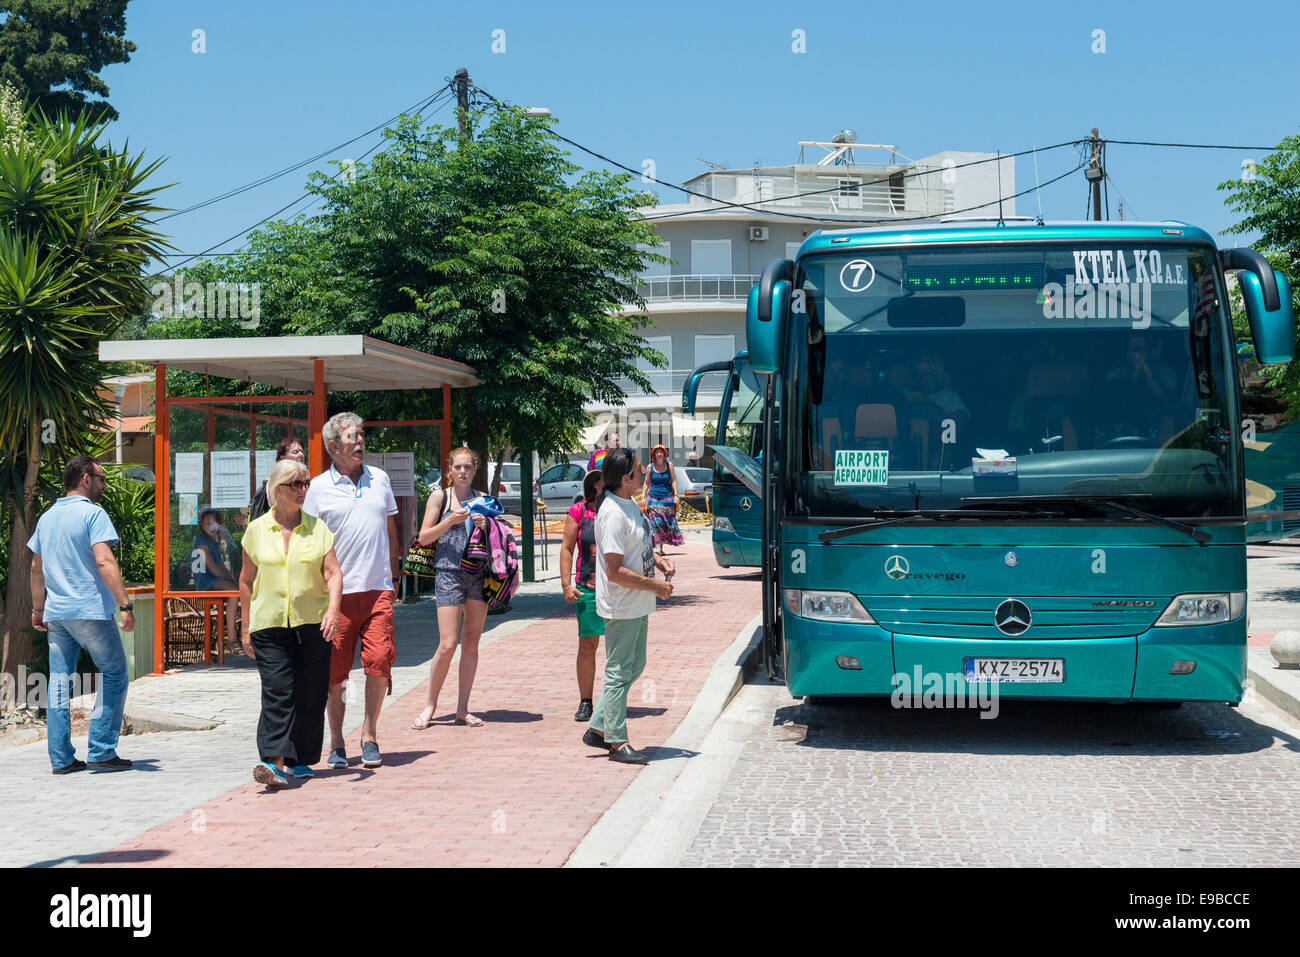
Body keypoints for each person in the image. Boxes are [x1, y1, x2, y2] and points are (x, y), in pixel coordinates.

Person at [303, 412, 401, 770]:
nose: (359, 441)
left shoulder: (381, 479)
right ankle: (337, 741)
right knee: (335, 674)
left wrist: (395, 570)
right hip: (336, 597)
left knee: (378, 663)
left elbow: (390, 526)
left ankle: (370, 735)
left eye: (361, 435)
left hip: (378, 590)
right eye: (351, 437)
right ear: (333, 446)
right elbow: (309, 543)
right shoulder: (316, 488)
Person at [239, 460, 343, 787]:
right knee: (278, 691)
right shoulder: (255, 531)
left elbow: (333, 574)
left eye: (305, 484)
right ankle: (272, 760)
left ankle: (299, 759)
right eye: (296, 484)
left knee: (310, 693)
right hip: (268, 625)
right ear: (277, 489)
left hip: (312, 623)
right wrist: (244, 628)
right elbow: (245, 580)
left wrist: (333, 611)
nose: (303, 490)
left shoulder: (318, 528)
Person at [28, 455, 134, 774]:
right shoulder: (93, 513)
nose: (103, 485)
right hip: (89, 611)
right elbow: (104, 562)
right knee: (115, 673)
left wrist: (37, 608)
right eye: (101, 479)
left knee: (60, 682)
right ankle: (102, 749)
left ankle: (61, 759)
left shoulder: (47, 518)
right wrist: (125, 604)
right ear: (86, 479)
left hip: (58, 614)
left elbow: (36, 567)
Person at [582, 448, 674, 765]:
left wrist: (659, 561)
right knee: (619, 673)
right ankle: (617, 741)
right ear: (625, 478)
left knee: (635, 666)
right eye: (639, 469)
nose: (644, 471)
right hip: (622, 605)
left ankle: (597, 728)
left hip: (638, 602)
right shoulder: (611, 514)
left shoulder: (629, 503)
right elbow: (615, 571)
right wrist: (657, 587)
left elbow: (637, 546)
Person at [410, 447, 491, 729]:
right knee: (447, 643)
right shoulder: (440, 497)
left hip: (477, 574)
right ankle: (430, 705)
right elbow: (423, 537)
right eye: (458, 467)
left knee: (471, 641)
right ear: (450, 469)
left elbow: (499, 537)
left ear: (475, 469)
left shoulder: (483, 499)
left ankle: (462, 708)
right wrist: (449, 521)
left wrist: (486, 524)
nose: (463, 472)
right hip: (447, 572)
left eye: (468, 467)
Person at [560, 469, 605, 722]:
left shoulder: (620, 508)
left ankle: (613, 699)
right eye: (596, 482)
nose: (600, 486)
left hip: (617, 588)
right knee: (588, 645)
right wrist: (566, 585)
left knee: (620, 647)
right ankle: (586, 701)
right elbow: (567, 549)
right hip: (587, 586)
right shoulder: (579, 510)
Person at [192, 506, 240, 650]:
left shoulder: (215, 541)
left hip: (215, 580)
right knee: (234, 591)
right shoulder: (202, 542)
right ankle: (231, 638)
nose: (212, 526)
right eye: (207, 523)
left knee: (239, 589)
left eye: (215, 523)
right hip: (207, 582)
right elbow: (213, 569)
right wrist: (230, 578)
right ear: (201, 525)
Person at [249, 436, 306, 521]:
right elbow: (282, 513)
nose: (301, 455)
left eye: (302, 451)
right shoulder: (276, 481)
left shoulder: (303, 478)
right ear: (283, 458)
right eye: (295, 452)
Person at [641, 444, 684, 555]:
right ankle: (656, 547)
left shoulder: (669, 465)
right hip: (653, 498)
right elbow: (646, 483)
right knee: (656, 522)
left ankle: (660, 547)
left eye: (661, 452)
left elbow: (674, 480)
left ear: (665, 454)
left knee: (665, 524)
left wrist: (676, 495)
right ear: (654, 454)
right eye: (657, 452)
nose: (659, 454)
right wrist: (643, 497)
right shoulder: (650, 467)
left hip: (667, 497)